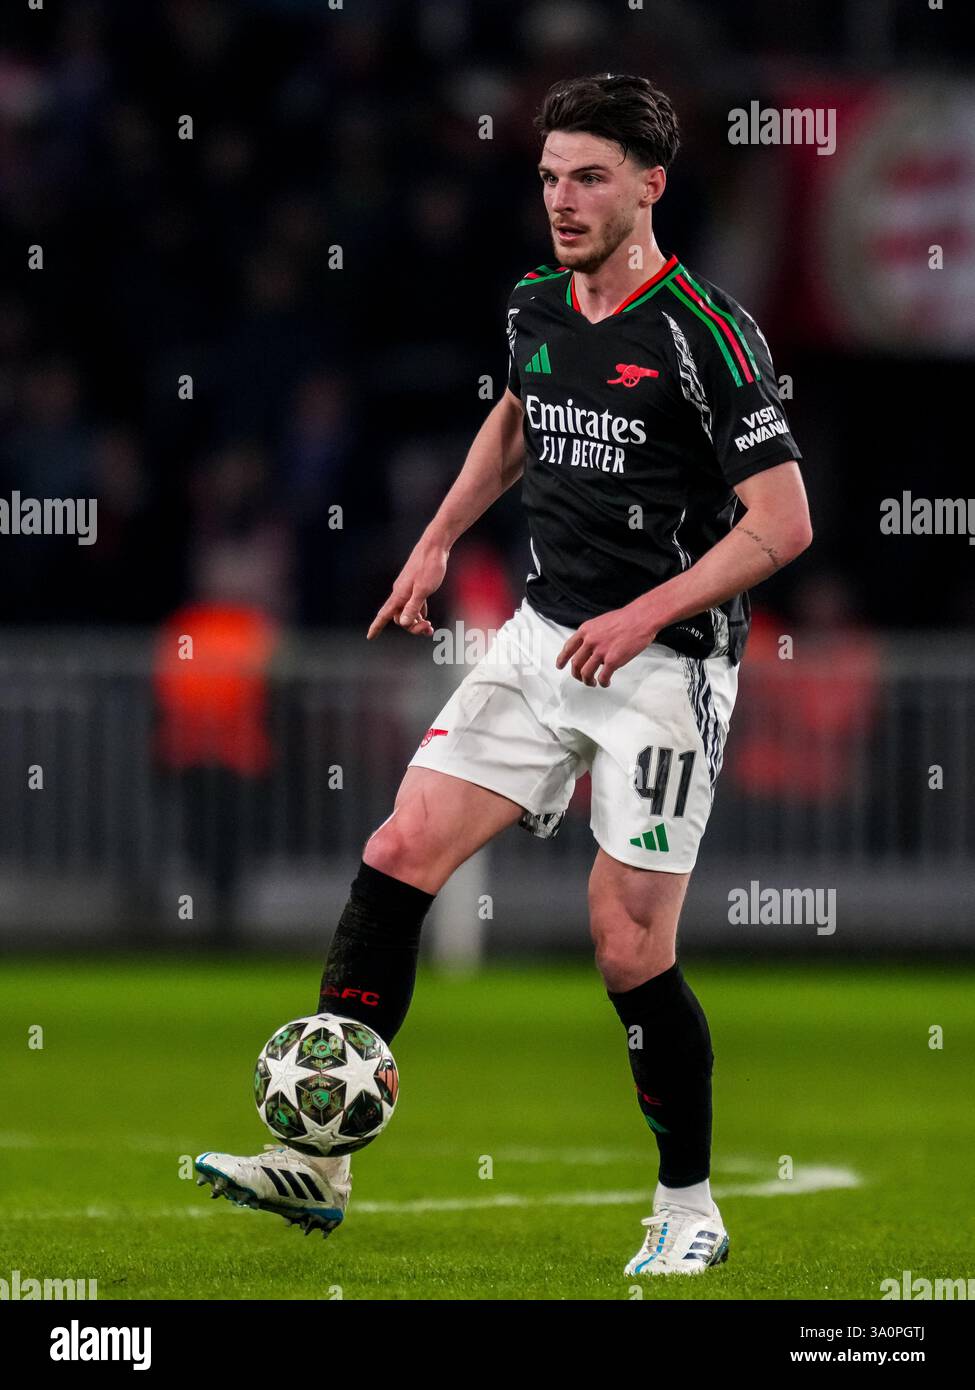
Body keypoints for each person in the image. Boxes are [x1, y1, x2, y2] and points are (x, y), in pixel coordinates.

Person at [196, 72, 812, 1278]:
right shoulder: (535, 302)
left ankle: (689, 1206)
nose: (563, 200)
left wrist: (646, 613)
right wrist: (437, 538)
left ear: (651, 184)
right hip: (541, 641)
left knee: (627, 946)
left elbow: (784, 522)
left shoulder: (707, 331)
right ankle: (317, 1160)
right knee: (398, 849)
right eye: (549, 178)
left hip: (666, 666)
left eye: (590, 178)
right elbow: (520, 420)